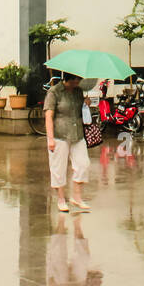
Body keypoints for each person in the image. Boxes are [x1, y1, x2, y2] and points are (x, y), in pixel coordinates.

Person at [45, 74, 91, 213]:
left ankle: (77, 197)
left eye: (79, 80)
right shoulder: (54, 92)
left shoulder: (78, 91)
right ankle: (60, 199)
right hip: (60, 135)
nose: (77, 83)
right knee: (58, 168)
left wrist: (86, 104)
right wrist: (50, 138)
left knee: (83, 164)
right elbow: (48, 115)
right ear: (68, 79)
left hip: (77, 134)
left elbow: (81, 112)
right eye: (75, 80)